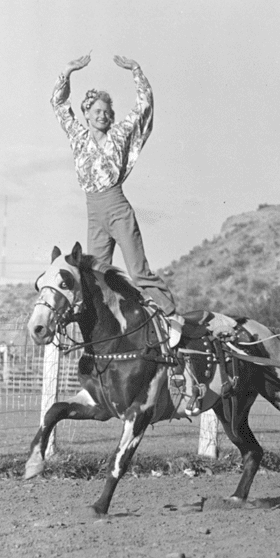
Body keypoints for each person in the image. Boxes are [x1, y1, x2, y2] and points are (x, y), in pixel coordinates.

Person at [51, 53, 185, 346]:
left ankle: (172, 316)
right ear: (87, 113)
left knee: (137, 271)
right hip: (93, 212)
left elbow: (143, 107)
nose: (102, 115)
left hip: (117, 208)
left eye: (106, 112)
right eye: (97, 111)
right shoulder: (77, 136)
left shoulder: (120, 134)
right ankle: (106, 333)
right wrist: (68, 71)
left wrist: (137, 70)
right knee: (97, 275)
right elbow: (59, 105)